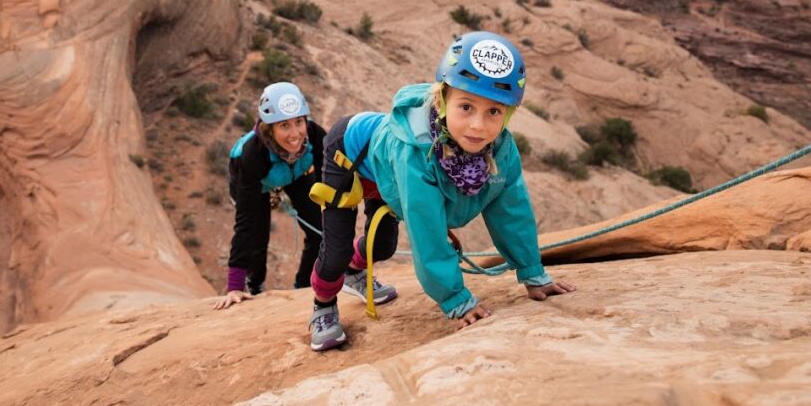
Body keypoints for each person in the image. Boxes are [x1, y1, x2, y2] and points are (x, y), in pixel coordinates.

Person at [306, 31, 576, 350]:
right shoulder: (416, 151)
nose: (479, 125)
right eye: (466, 107)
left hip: (387, 169)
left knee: (383, 247)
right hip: (351, 153)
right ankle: (322, 306)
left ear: (509, 114)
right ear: (442, 99)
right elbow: (428, 233)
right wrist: (455, 300)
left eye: (494, 111)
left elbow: (510, 210)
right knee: (335, 250)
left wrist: (533, 272)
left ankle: (355, 272)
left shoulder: (501, 149)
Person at [215, 82, 327, 310]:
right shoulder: (252, 155)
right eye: (284, 125)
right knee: (257, 238)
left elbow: (328, 181)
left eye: (299, 122)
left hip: (294, 173)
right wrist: (233, 285)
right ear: (270, 128)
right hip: (254, 180)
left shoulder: (314, 134)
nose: (295, 134)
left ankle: (305, 286)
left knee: (320, 229)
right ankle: (253, 286)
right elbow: (244, 222)